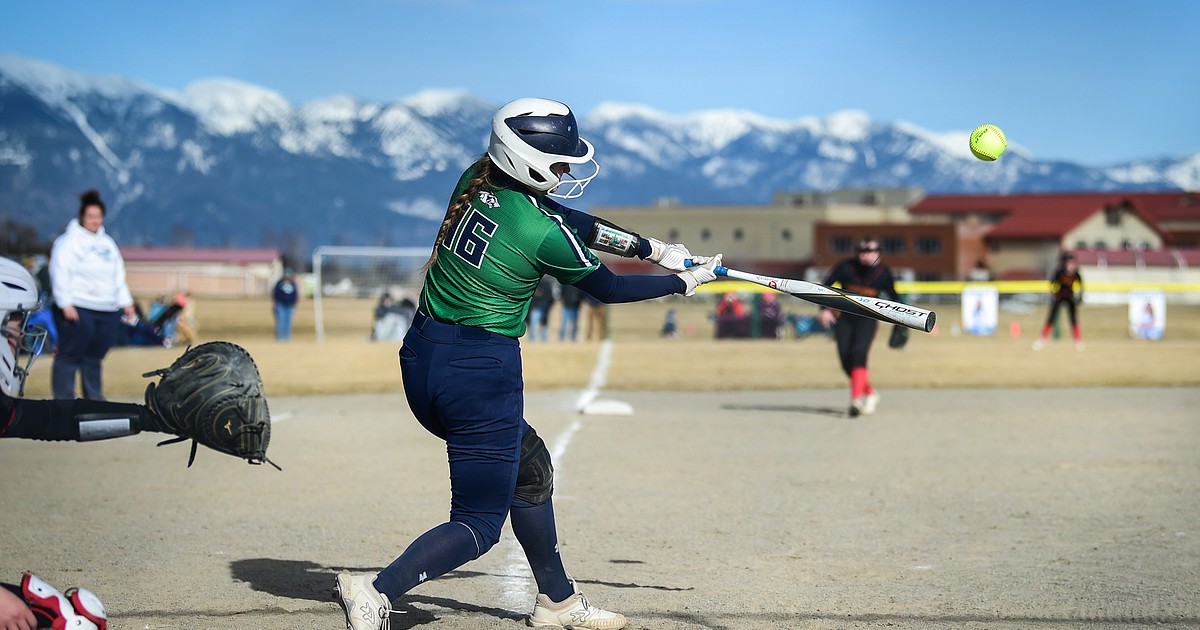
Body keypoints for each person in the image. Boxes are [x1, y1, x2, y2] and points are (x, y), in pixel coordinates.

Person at [334, 97, 722, 630]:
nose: (565, 171)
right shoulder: (540, 232)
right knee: (478, 524)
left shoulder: (479, 176)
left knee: (529, 466)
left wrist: (653, 248)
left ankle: (557, 603)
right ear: (526, 158)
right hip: (480, 373)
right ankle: (376, 590)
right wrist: (683, 282)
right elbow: (606, 287)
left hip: (424, 355)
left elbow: (572, 221)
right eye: (557, 162)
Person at [48, 189, 136, 401]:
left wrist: (126, 302)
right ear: (82, 217)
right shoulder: (68, 242)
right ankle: (64, 401)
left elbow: (117, 275)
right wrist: (65, 303)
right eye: (90, 216)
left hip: (107, 308)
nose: (94, 221)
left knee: (94, 357)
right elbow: (60, 272)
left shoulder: (107, 244)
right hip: (79, 307)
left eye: (98, 217)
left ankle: (94, 399)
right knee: (70, 355)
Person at [818, 237, 899, 417]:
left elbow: (895, 297)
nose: (865, 255)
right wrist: (824, 309)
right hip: (844, 317)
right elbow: (825, 286)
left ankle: (855, 401)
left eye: (869, 251)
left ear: (877, 253)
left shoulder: (883, 273)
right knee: (846, 361)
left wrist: (901, 322)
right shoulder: (846, 267)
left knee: (858, 353)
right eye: (862, 251)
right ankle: (870, 394)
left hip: (867, 319)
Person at [1032, 252, 1084, 351]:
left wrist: (1079, 296)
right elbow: (1051, 284)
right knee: (1051, 318)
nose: (1071, 265)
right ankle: (1042, 340)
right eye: (1069, 263)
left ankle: (1078, 341)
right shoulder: (1059, 272)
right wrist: (1052, 293)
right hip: (1059, 297)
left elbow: (1080, 287)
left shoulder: (1076, 274)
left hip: (1070, 298)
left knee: (1073, 319)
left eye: (1073, 263)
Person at [526, 275, 558, 342]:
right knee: (537, 322)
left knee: (537, 322)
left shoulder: (537, 283)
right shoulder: (547, 283)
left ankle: (537, 338)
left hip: (541, 305)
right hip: (538, 306)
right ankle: (537, 338)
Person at [271, 268, 299, 341]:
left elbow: (295, 295)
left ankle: (287, 339)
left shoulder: (293, 284)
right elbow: (275, 294)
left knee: (288, 323)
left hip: (289, 306)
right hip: (281, 305)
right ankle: (280, 339)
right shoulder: (279, 284)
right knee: (281, 323)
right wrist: (276, 303)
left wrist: (294, 303)